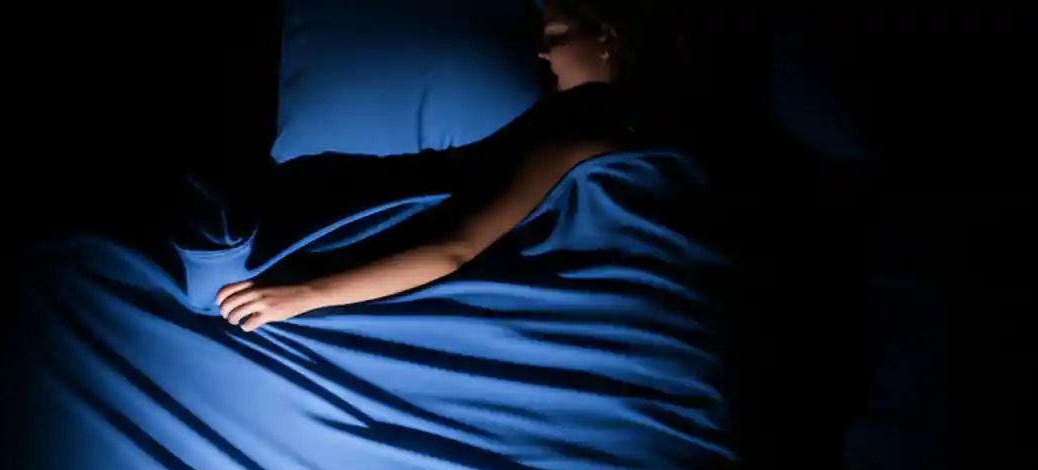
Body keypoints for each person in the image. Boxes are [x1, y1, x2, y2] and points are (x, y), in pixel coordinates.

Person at [204, 0, 694, 332]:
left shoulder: (584, 133)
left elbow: (457, 245)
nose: (543, 53)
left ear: (608, 38)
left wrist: (306, 295)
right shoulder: (581, 126)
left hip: (350, 220)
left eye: (558, 36)